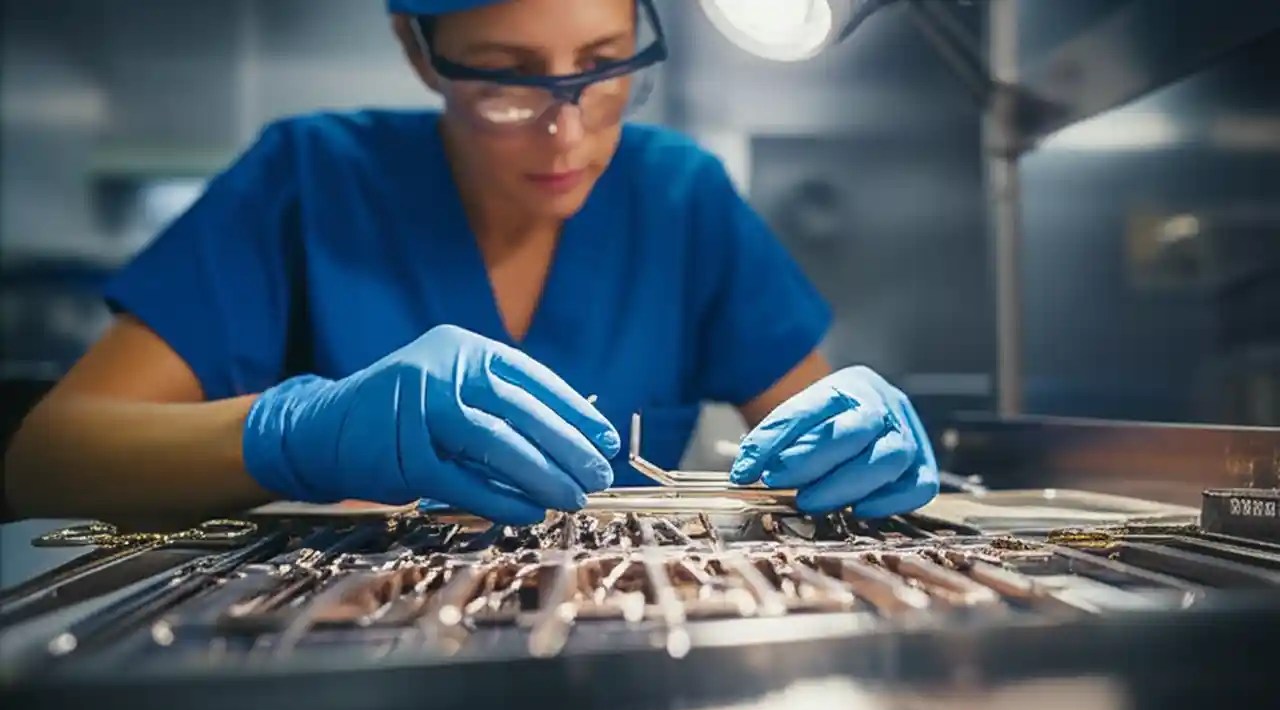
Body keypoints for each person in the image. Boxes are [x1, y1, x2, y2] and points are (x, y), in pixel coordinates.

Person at [3, 0, 939, 526]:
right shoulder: (307, 179)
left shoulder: (680, 198)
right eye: (505, 77)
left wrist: (861, 441)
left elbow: (820, 450)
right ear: (418, 48)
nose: (567, 131)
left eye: (608, 65)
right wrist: (296, 434)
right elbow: (47, 463)